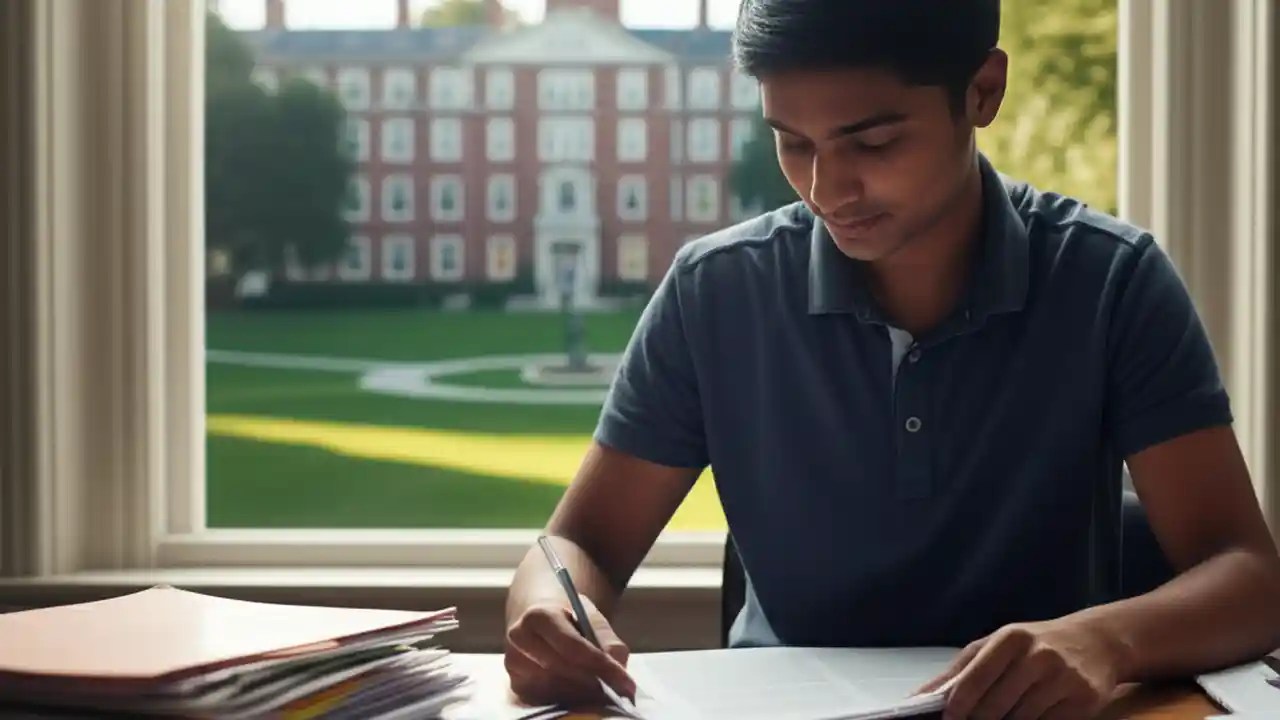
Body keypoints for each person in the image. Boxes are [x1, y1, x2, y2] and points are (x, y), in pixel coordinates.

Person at [503, 0, 1280, 717]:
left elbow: (1250, 577)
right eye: (792, 142)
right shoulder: (715, 291)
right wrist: (546, 606)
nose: (825, 189)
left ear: (982, 91)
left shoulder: (1113, 281)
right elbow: (579, 546)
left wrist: (1107, 641)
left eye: (872, 142)